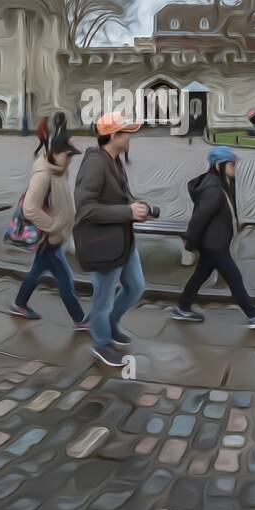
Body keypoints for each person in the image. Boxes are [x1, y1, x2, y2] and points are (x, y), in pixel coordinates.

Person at [71, 113, 152, 363]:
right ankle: (102, 342)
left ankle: (110, 324)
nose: (130, 138)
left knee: (136, 286)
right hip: (103, 244)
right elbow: (85, 208)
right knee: (103, 298)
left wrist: (138, 207)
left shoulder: (114, 161)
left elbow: (121, 196)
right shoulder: (95, 163)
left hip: (122, 240)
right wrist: (127, 212)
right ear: (114, 135)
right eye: (127, 133)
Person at [168, 145, 255, 329]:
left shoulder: (220, 183)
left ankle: (182, 307)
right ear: (219, 165)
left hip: (213, 243)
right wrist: (190, 241)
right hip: (214, 245)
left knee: (199, 276)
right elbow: (200, 217)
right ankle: (254, 315)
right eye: (231, 165)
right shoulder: (213, 189)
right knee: (235, 278)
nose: (234, 168)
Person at [8, 138, 86, 324]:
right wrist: (54, 225)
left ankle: (19, 303)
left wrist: (69, 223)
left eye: (71, 157)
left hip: (54, 237)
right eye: (67, 156)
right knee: (65, 278)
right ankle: (80, 320)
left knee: (37, 271)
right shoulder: (43, 175)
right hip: (49, 238)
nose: (69, 160)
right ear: (56, 153)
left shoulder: (60, 170)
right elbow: (29, 208)